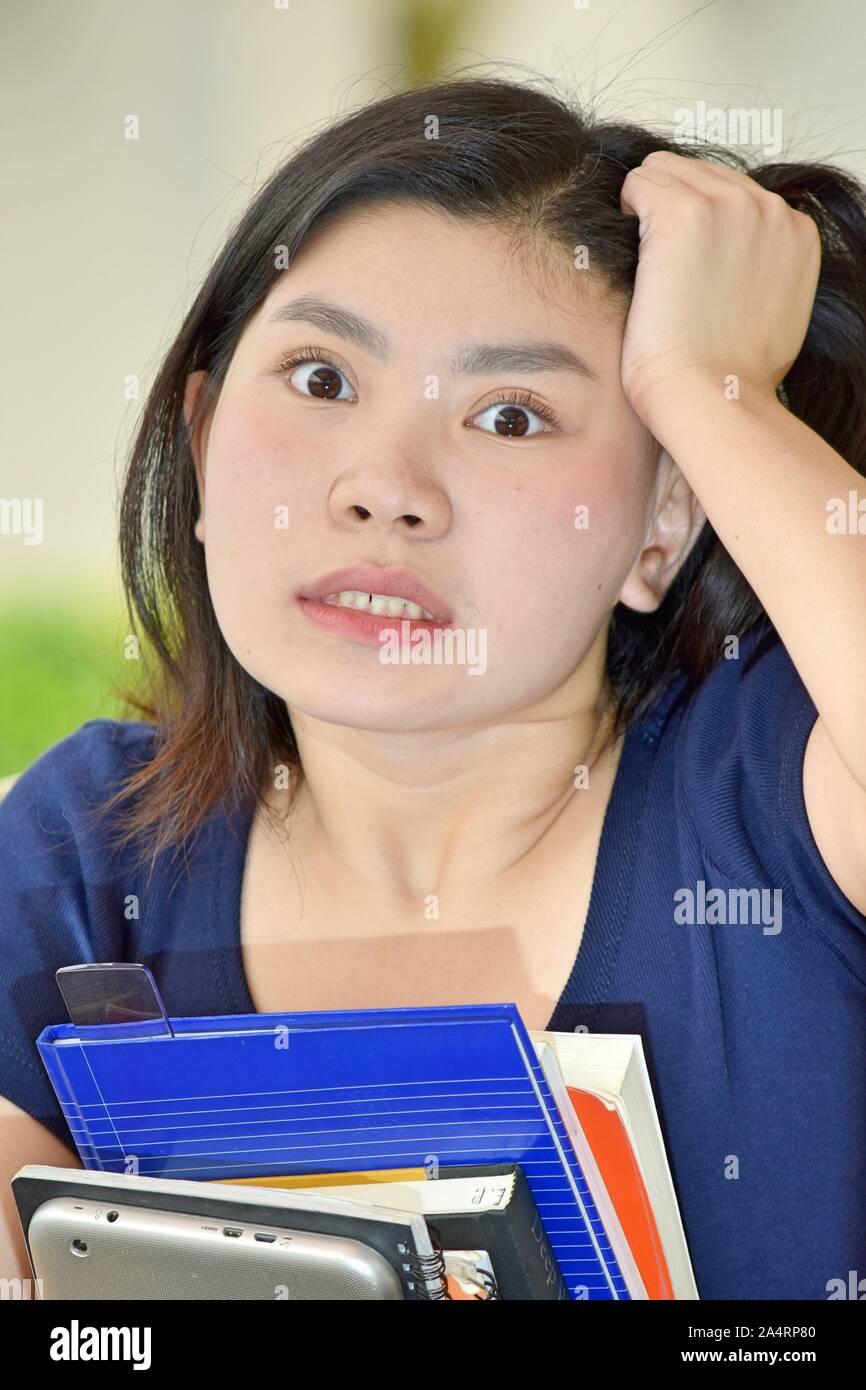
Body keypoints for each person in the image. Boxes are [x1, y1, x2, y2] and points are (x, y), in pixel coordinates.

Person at [1, 75, 864, 1300]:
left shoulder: (777, 793)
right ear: (199, 447)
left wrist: (710, 382)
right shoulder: (89, 845)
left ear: (660, 525)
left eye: (509, 414)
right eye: (320, 379)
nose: (383, 485)